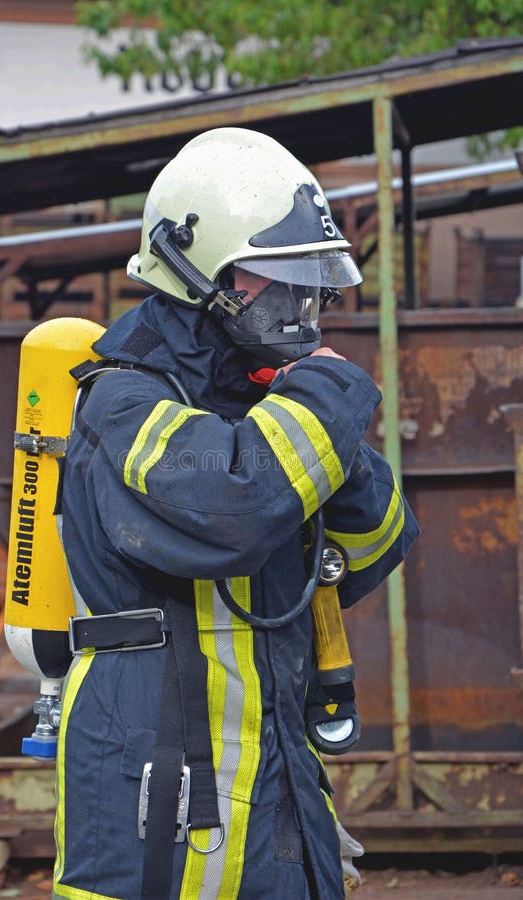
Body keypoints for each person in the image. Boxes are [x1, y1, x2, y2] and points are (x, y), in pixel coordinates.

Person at [53, 127, 419, 900]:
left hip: (272, 788)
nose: (301, 301)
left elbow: (376, 541)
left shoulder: (269, 406)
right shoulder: (123, 402)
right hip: (151, 801)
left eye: (309, 279)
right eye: (275, 276)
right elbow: (229, 509)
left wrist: (317, 428)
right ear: (197, 271)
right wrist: (323, 402)